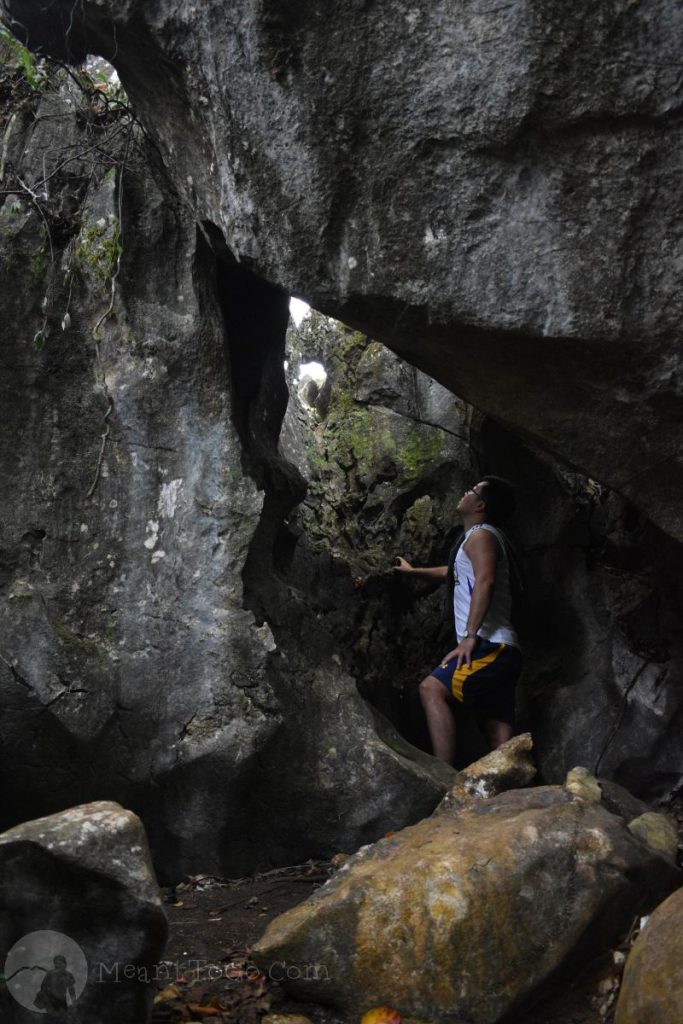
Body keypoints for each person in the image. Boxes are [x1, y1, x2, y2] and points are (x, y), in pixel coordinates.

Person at [393, 476, 522, 764]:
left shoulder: (482, 535)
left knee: (431, 689)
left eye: (472, 490)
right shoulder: (478, 538)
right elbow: (454, 572)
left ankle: (443, 776)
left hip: (491, 645)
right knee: (497, 733)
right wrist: (414, 572)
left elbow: (485, 580)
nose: (465, 491)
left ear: (480, 504)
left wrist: (469, 636)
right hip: (505, 650)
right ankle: (509, 796)